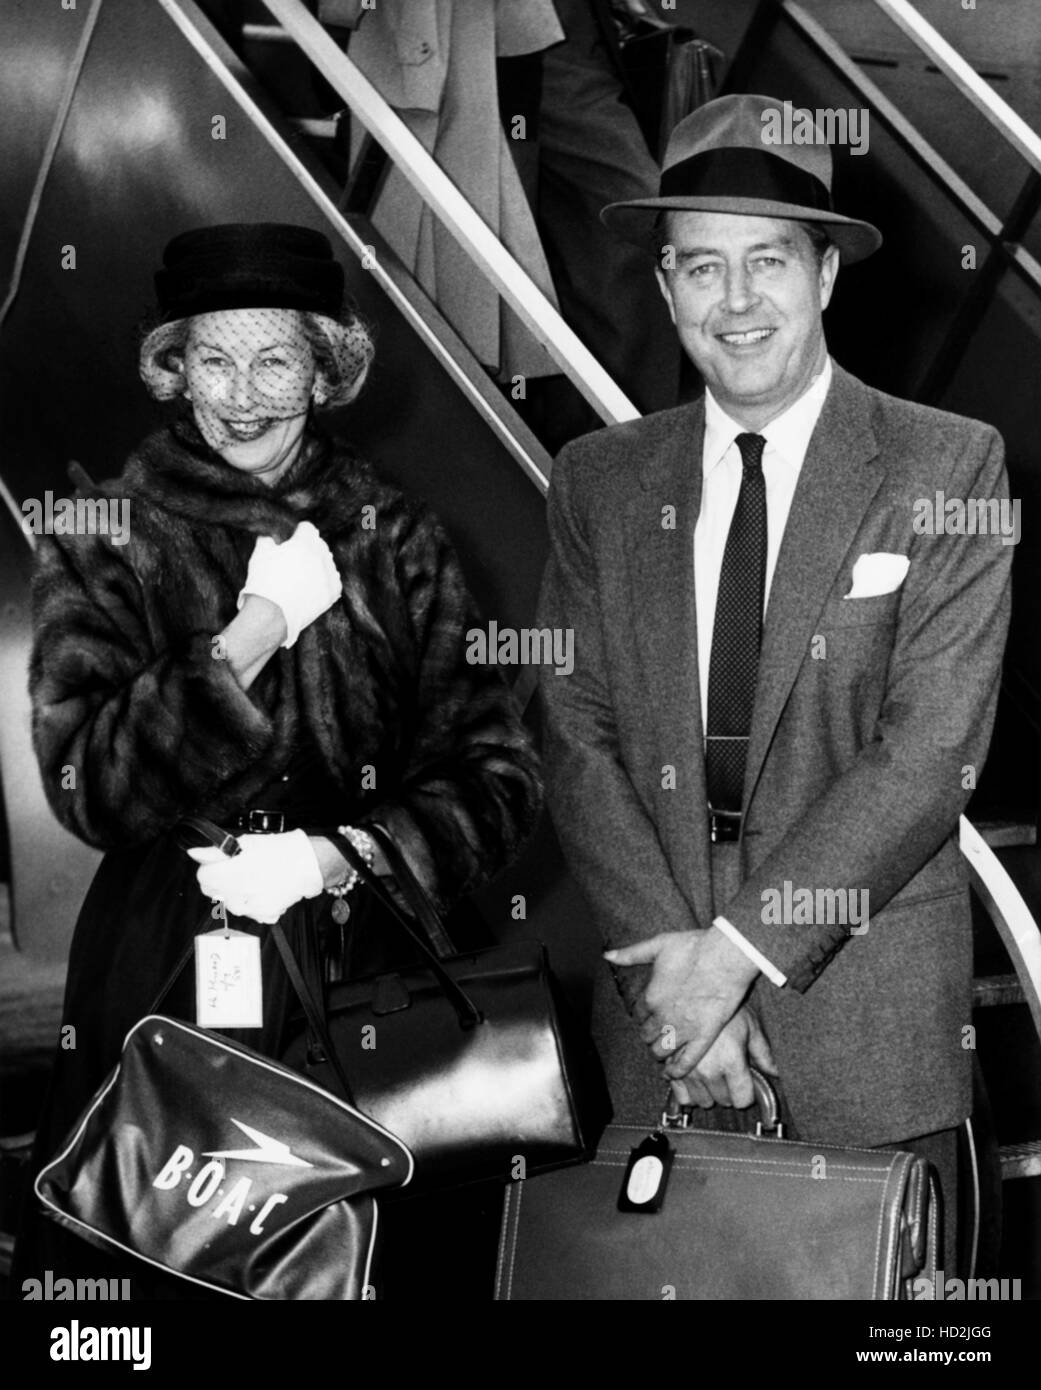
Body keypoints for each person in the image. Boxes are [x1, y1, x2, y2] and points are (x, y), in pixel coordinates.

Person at [14, 221, 542, 1297]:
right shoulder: (109, 524)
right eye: (214, 357)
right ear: (174, 368)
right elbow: (88, 783)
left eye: (274, 358)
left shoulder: (394, 535)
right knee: (149, 1286)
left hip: (367, 964)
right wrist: (248, 638)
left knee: (364, 1269)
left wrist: (339, 855)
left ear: (324, 370)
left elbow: (500, 773)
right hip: (169, 959)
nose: (242, 394)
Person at [537, 94, 1013, 1277]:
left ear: (827, 276)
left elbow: (928, 754)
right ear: (662, 287)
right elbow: (573, 728)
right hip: (661, 1039)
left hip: (870, 1034)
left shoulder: (948, 463)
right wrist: (677, 979)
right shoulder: (598, 480)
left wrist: (734, 957)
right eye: (702, 266)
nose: (735, 301)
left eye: (768, 262)